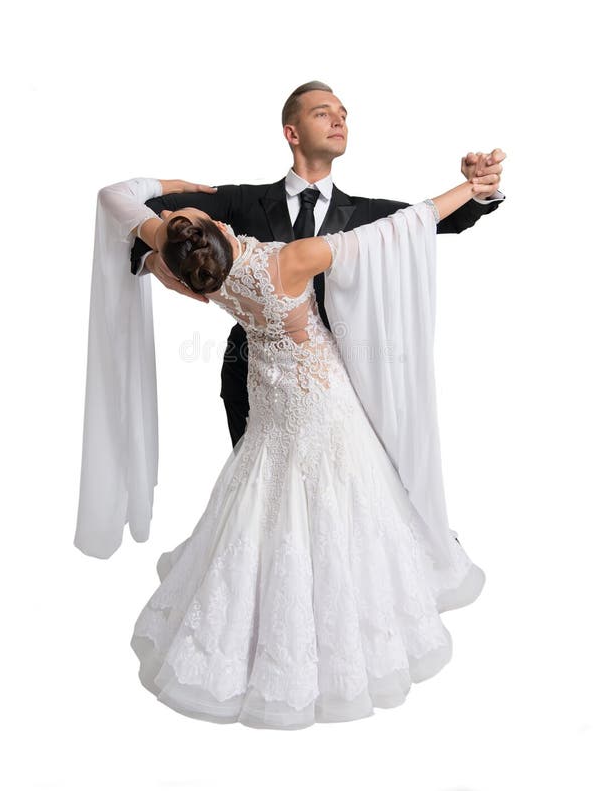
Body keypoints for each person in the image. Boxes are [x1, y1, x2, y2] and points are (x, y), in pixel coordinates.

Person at [77, 151, 504, 728]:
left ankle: (253, 624)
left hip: (273, 399)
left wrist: (170, 196)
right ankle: (342, 636)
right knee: (340, 494)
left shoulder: (184, 267)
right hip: (321, 395)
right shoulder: (292, 260)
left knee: (263, 494)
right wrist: (465, 185)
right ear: (221, 228)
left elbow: (115, 198)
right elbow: (398, 230)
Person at [129, 81, 506, 446]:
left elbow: (444, 220)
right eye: (323, 113)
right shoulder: (241, 202)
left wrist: (480, 188)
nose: (339, 121)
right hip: (250, 377)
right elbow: (144, 211)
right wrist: (155, 258)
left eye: (343, 114)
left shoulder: (369, 214)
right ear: (291, 133)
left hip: (339, 383)